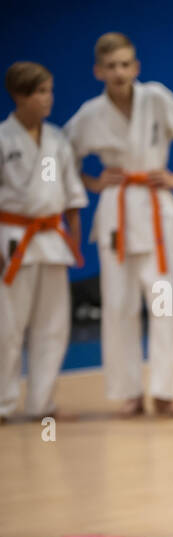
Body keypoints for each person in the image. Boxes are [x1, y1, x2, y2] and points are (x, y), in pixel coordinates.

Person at [64, 32, 173, 418]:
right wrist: (90, 183)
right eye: (111, 66)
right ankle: (129, 392)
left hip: (157, 207)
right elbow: (63, 155)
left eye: (125, 64)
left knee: (164, 303)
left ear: (136, 67)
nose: (119, 72)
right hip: (117, 211)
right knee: (119, 306)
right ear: (98, 71)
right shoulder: (90, 114)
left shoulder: (156, 97)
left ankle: (164, 391)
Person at [0, 62, 87, 424]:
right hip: (13, 240)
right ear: (19, 96)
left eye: (49, 90)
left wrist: (75, 245)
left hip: (52, 240)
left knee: (53, 327)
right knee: (8, 327)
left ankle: (42, 403)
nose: (48, 99)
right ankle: (3, 403)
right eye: (39, 92)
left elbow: (71, 200)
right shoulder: (3, 138)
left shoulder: (56, 140)